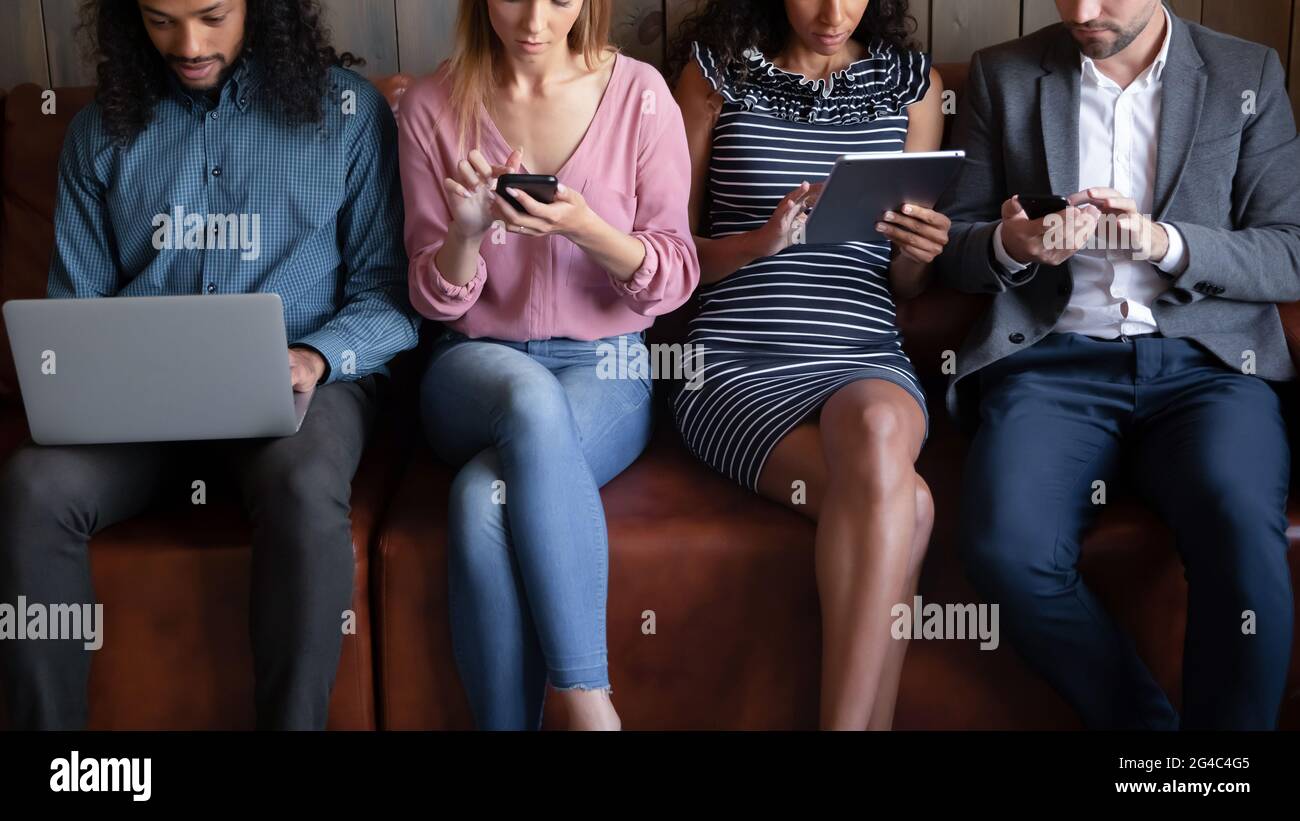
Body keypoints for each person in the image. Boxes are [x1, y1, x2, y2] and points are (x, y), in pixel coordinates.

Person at [0, 0, 420, 730]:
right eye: (161, 19)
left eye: (211, 15)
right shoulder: (98, 132)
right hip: (141, 414)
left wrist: (313, 357)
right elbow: (73, 318)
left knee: (303, 479)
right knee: (32, 486)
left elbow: (388, 297)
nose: (187, 44)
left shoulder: (350, 115)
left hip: (300, 392)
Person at [936, 0, 1300, 729]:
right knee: (1004, 548)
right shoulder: (1003, 75)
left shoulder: (1246, 72)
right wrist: (1012, 245)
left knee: (1238, 525)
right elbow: (955, 246)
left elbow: (1289, 251)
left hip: (1208, 366)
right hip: (1050, 362)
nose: (1082, 11)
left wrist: (1163, 242)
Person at [398, 0, 699, 730]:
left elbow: (677, 273)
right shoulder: (432, 106)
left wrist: (589, 228)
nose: (535, 19)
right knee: (528, 396)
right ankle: (588, 700)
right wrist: (466, 232)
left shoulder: (640, 95)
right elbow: (433, 298)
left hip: (606, 368)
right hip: (474, 366)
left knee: (479, 500)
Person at [669, 0, 949, 730]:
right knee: (906, 506)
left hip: (861, 346)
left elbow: (904, 284)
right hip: (736, 359)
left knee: (884, 429)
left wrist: (918, 259)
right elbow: (665, 255)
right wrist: (763, 241)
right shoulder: (712, 76)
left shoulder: (915, 86)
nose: (833, 12)